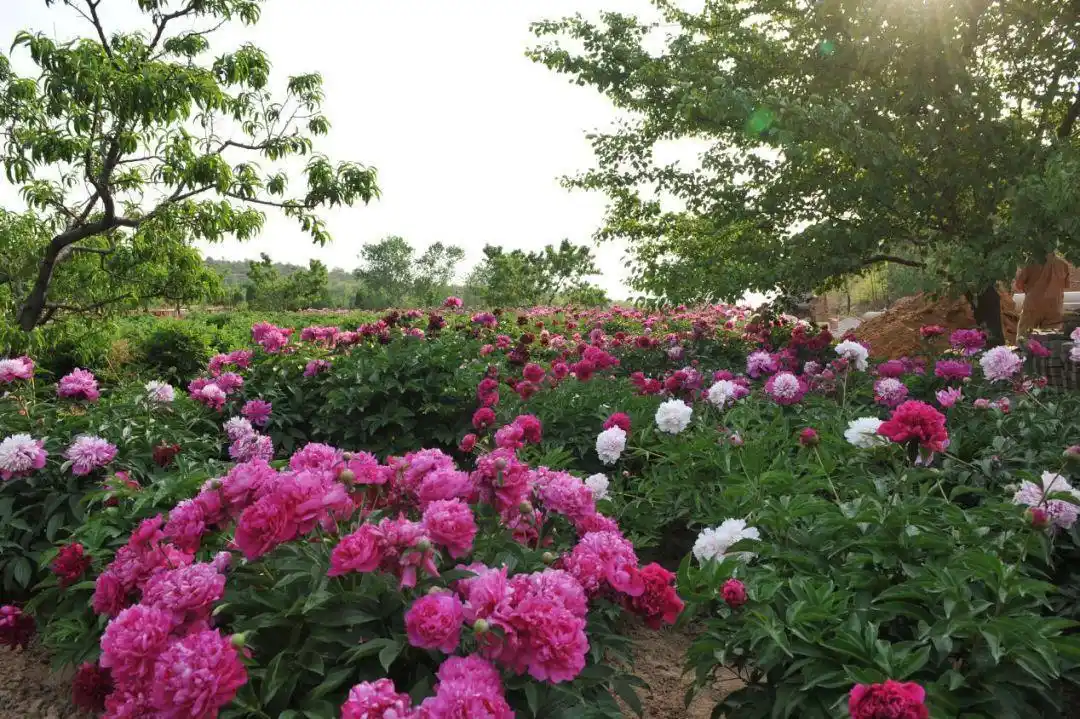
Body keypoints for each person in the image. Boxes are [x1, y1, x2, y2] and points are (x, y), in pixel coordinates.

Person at [1014, 252, 1070, 341]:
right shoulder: (1063, 264)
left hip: (1033, 304)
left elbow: (1018, 284)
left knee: (1024, 337)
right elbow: (1065, 285)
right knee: (1052, 339)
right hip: (1055, 306)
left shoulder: (1031, 262)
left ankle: (1024, 354)